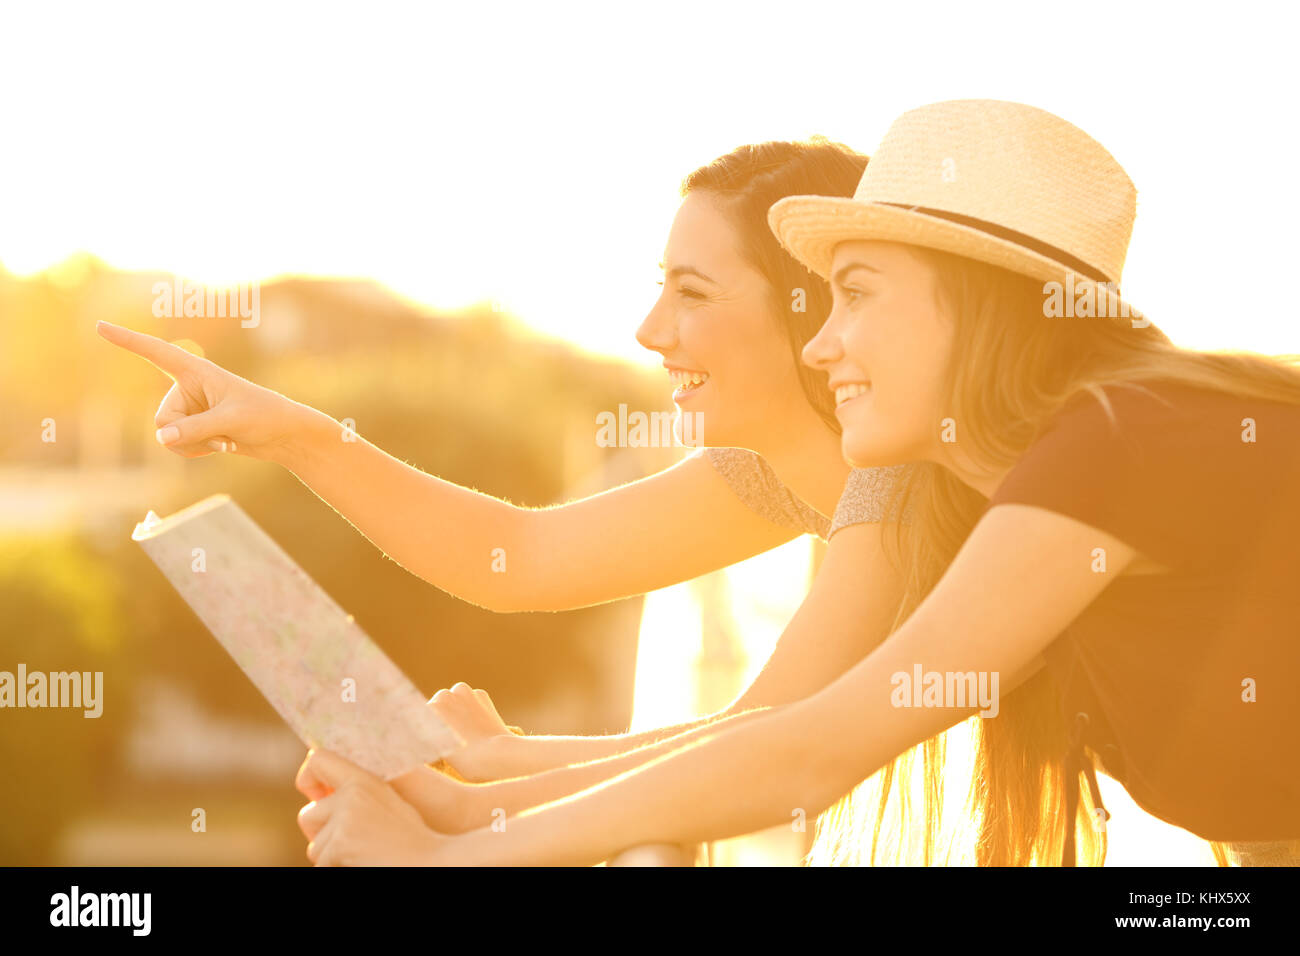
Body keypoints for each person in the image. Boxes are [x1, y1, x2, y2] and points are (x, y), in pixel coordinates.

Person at [293, 99, 1300, 867]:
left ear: (976, 304)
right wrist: (484, 794)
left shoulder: (1114, 445)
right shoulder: (1013, 500)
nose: (821, 343)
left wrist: (455, 849)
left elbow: (806, 752)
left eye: (855, 294)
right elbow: (787, 735)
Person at [97, 139, 910, 792]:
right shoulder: (771, 476)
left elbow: (760, 744)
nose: (649, 330)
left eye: (692, 294)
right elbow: (518, 556)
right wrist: (291, 433)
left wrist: (508, 772)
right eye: (660, 287)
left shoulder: (902, 485)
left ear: (813, 305)